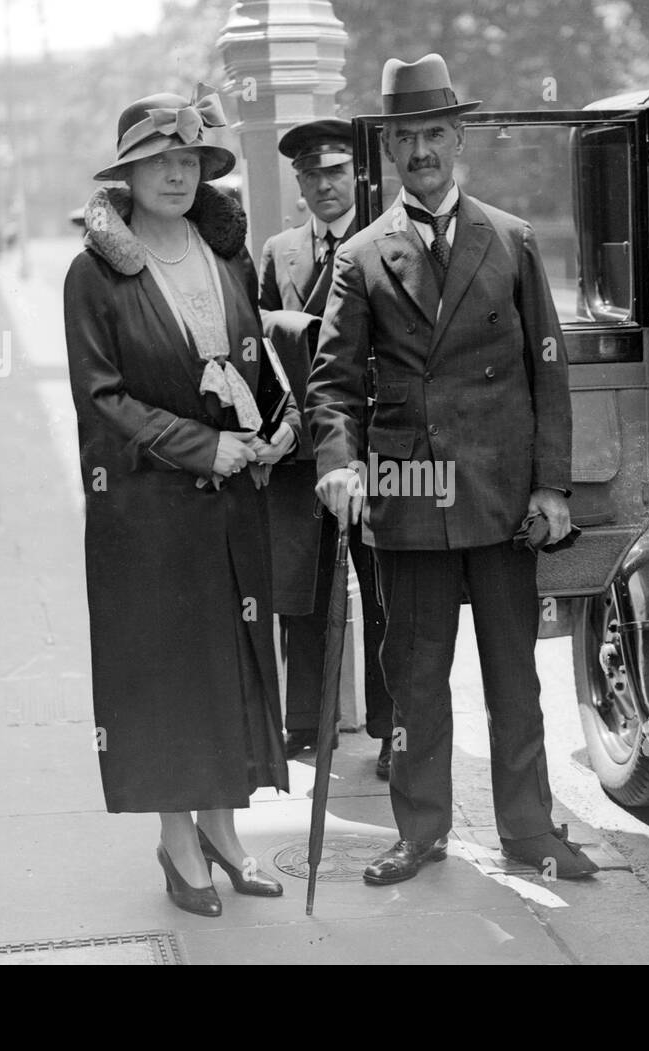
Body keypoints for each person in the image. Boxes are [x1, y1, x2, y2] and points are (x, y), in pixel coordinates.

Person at [305, 54, 597, 885]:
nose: (422, 149)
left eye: (435, 132)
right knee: (416, 679)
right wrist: (338, 463)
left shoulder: (511, 240)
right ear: (389, 146)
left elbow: (548, 369)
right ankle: (422, 828)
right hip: (408, 493)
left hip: (503, 495)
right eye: (407, 136)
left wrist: (551, 484)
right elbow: (332, 385)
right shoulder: (361, 257)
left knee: (515, 678)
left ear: (457, 137)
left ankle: (531, 830)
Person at [64, 88, 299, 917]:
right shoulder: (93, 274)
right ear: (127, 172)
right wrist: (205, 445)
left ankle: (223, 833)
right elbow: (103, 401)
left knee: (232, 665)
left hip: (231, 508)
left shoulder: (225, 255)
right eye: (157, 160)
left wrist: (278, 423)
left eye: (188, 159)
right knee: (167, 677)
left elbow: (255, 358)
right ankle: (176, 843)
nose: (175, 173)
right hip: (147, 514)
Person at [258, 118, 394, 779]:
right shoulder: (279, 251)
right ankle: (304, 723)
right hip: (298, 454)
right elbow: (255, 348)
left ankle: (393, 728)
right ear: (300, 184)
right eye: (312, 175)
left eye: (336, 172)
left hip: (370, 450)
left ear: (356, 177)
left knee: (384, 590)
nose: (325, 186)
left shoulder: (383, 244)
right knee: (301, 595)